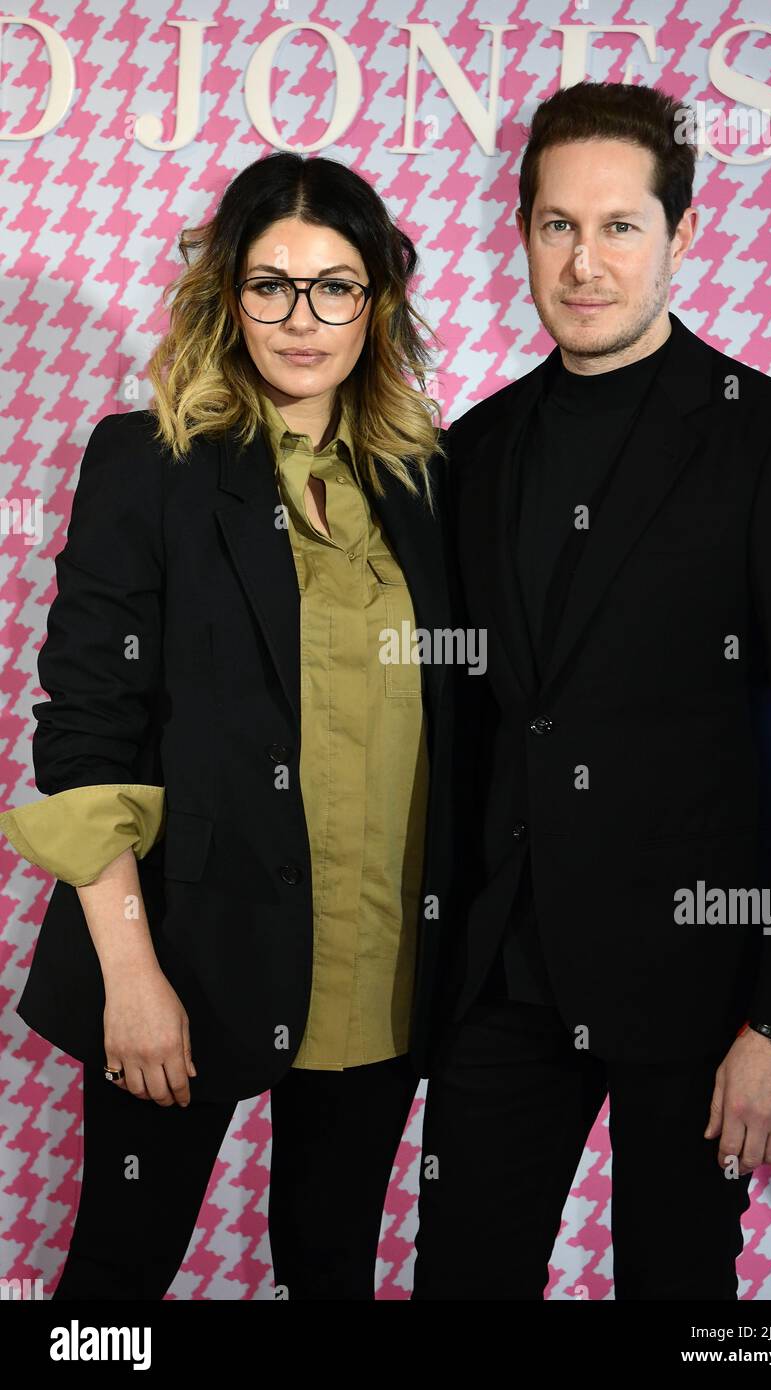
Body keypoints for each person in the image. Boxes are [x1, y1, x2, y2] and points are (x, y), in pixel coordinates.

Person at [413, 79, 771, 1300]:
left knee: (678, 1297)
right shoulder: (476, 447)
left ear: (681, 234)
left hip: (700, 988)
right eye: (557, 224)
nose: (584, 260)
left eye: (619, 225)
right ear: (519, 233)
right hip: (502, 980)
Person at [0, 150, 458, 1300]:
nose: (302, 318)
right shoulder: (147, 464)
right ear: (229, 295)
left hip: (381, 962)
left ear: (377, 301)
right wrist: (131, 975)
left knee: (331, 1267)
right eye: (271, 283)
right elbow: (85, 733)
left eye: (335, 285)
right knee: (114, 1277)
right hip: (184, 956)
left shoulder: (426, 482)